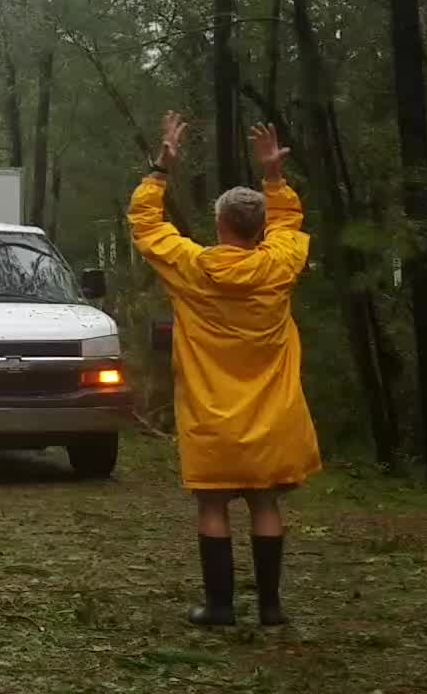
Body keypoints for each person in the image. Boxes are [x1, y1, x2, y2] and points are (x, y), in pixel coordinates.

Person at [128, 112, 321, 627]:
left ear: (219, 225)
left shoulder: (192, 270)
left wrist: (160, 170)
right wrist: (274, 177)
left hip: (212, 416)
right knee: (265, 506)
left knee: (212, 507)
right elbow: (290, 226)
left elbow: (147, 227)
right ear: (260, 229)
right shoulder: (279, 266)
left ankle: (219, 606)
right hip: (271, 415)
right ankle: (271, 607)